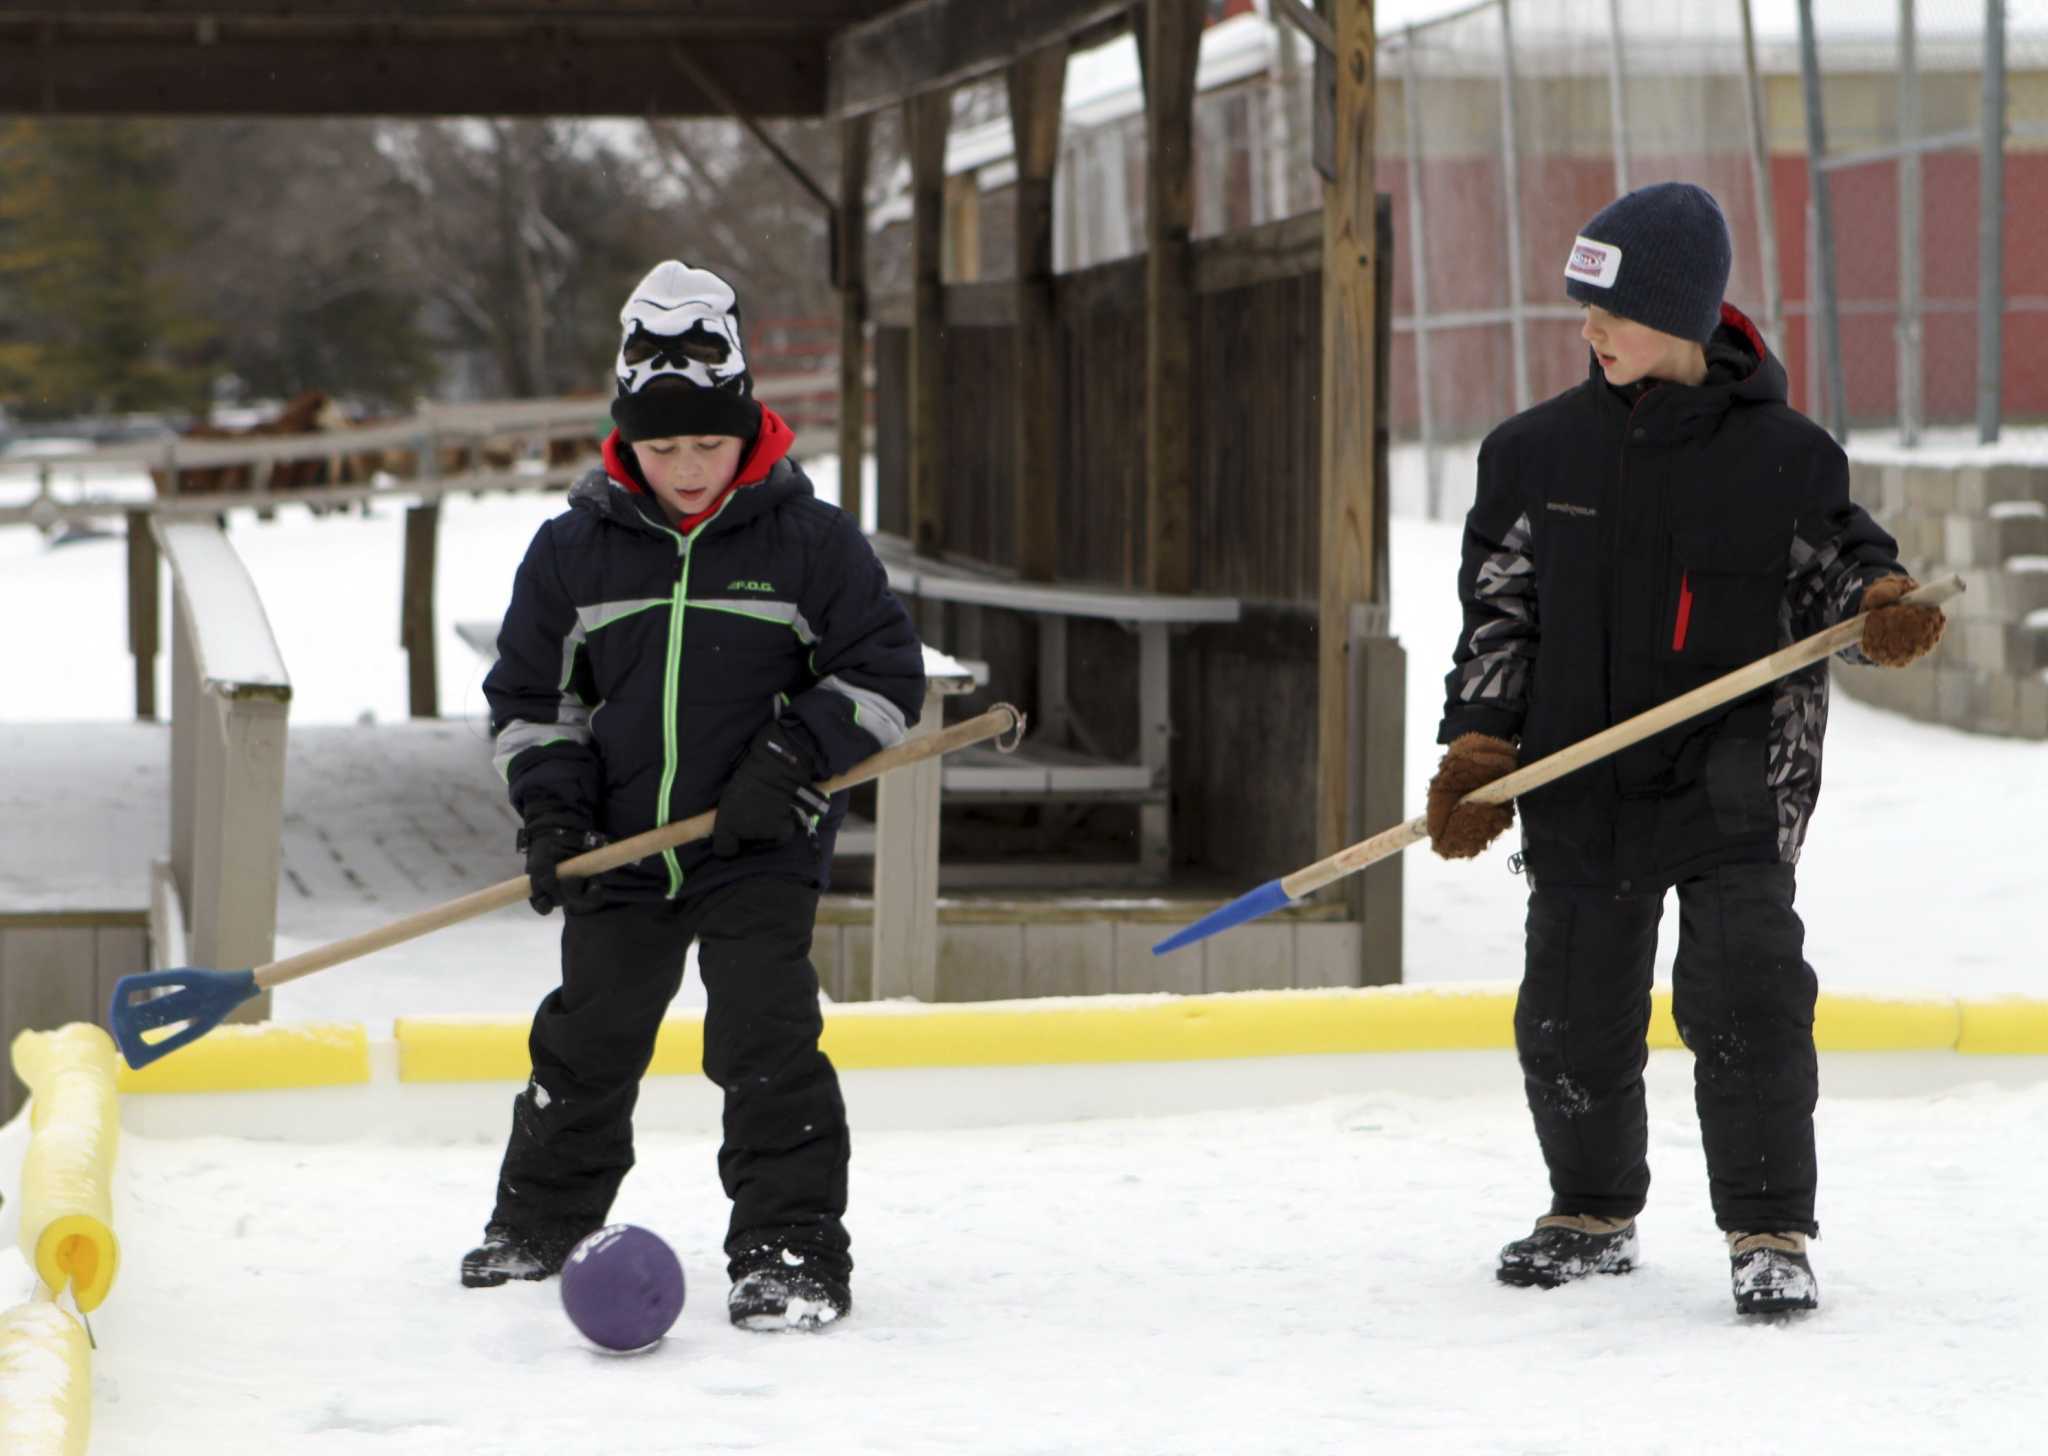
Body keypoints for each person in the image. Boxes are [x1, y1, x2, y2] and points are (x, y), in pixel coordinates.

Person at [1425, 183, 1946, 1316]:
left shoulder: (1784, 458)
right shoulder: (1532, 454)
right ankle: (1588, 1210)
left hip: (1730, 776)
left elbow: (1841, 576)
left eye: (1608, 311)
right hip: (1580, 771)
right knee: (1568, 1002)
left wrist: (1879, 608)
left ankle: (1767, 1228)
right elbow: (1499, 615)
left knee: (1744, 996)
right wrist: (1477, 747)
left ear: (1682, 312)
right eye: (1581, 310)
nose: (1586, 331)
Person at [461, 261, 925, 1332]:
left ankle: (790, 1251)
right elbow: (531, 699)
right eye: (662, 446)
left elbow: (881, 678)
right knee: (587, 1037)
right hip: (620, 850)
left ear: (746, 423)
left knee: (764, 1040)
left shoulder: (808, 544)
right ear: (628, 438)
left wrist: (791, 754)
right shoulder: (574, 550)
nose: (685, 465)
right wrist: (552, 806)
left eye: (706, 443)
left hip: (758, 843)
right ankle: (536, 1222)